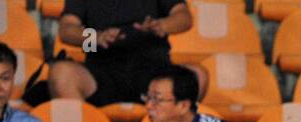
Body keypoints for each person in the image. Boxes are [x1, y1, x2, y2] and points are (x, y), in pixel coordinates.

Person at [50, 1, 201, 109]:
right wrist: (96, 37)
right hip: (100, 71)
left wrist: (161, 25)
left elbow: (184, 17)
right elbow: (66, 29)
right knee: (61, 74)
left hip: (154, 72)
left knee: (197, 76)